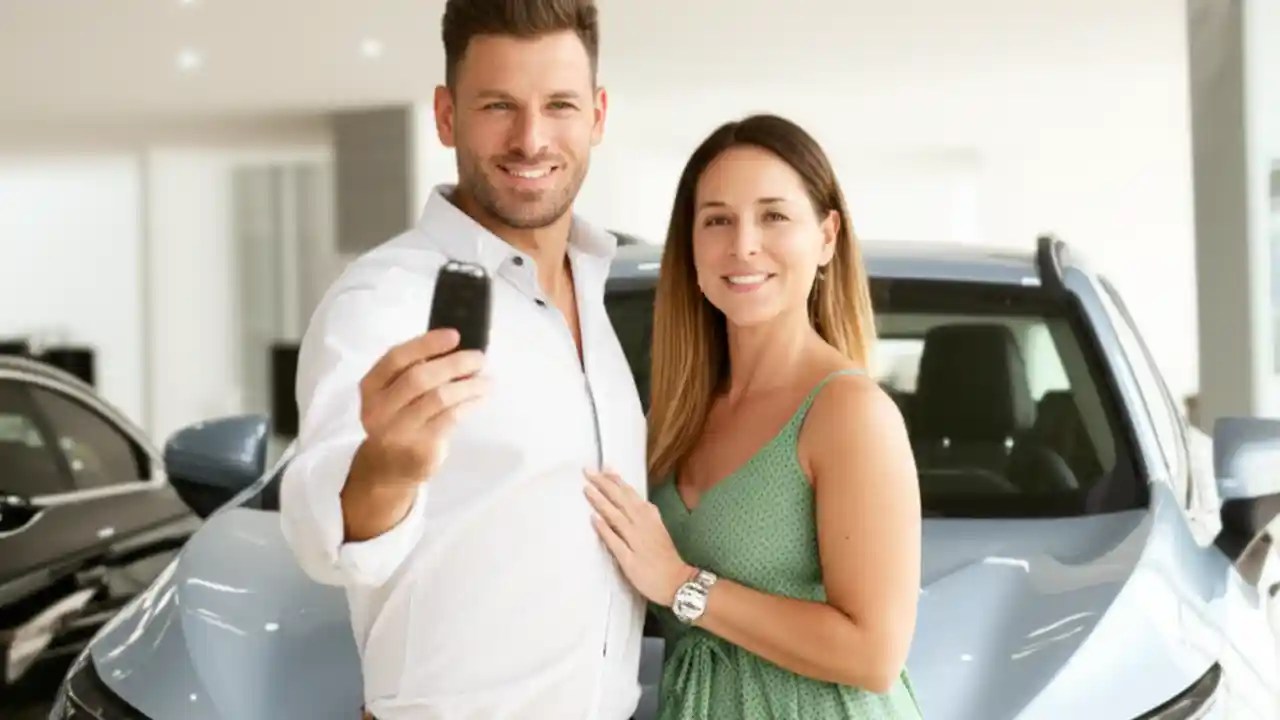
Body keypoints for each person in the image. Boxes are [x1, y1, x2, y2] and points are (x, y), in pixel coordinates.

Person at [279, 1, 648, 718]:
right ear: (447, 116)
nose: (531, 138)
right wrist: (388, 466)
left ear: (597, 116)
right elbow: (323, 524)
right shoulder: (384, 298)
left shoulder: (597, 286)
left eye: (560, 105)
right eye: (498, 105)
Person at [584, 114, 924, 719]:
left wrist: (683, 585)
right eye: (717, 219)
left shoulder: (848, 414)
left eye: (773, 216)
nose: (742, 245)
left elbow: (875, 651)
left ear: (826, 236)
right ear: (690, 245)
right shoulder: (674, 414)